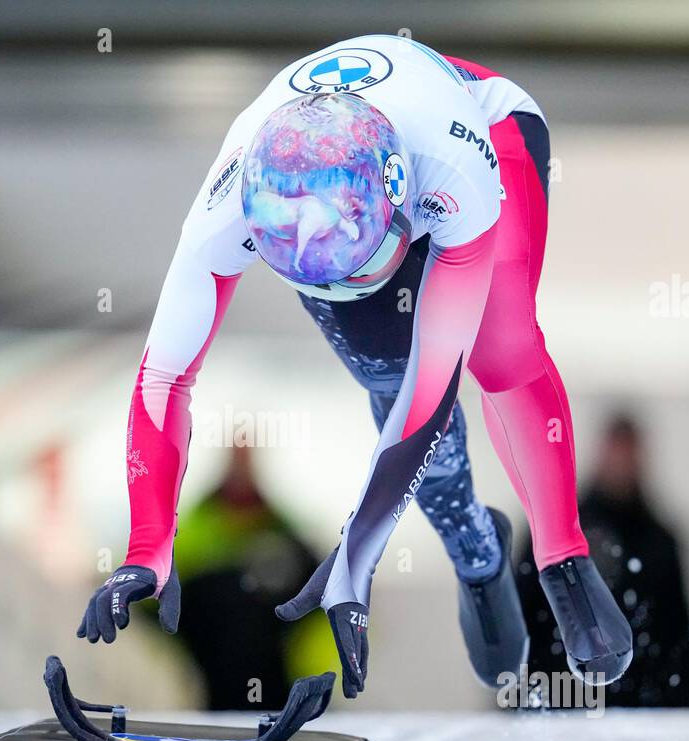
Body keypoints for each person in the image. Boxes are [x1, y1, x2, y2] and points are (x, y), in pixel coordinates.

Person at [77, 35, 632, 697]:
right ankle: (474, 546)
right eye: (325, 281)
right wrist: (146, 547)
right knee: (385, 375)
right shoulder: (229, 206)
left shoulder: (454, 171)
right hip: (356, 199)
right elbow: (164, 378)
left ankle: (561, 555)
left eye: (360, 268)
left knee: (499, 346)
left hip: (492, 128)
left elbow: (435, 389)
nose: (353, 291)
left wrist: (357, 555)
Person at [517, 414, 689, 706]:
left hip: (643, 706)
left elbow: (679, 632)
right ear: (600, 452)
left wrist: (687, 705)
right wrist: (519, 696)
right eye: (616, 451)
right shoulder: (557, 528)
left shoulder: (661, 540)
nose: (621, 462)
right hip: (562, 700)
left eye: (629, 453)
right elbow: (524, 613)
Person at [164, 444, 330, 711]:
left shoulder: (288, 534)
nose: (241, 468)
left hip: (278, 684)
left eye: (247, 459)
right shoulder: (190, 529)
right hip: (211, 682)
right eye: (236, 458)